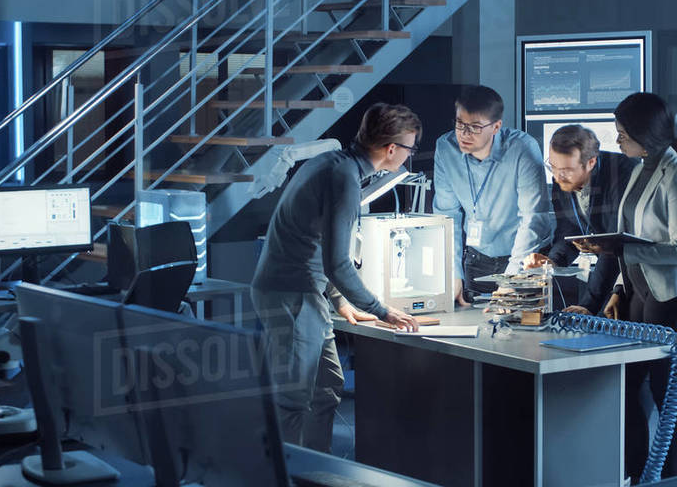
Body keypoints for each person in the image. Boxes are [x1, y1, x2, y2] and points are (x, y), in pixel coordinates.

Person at [251, 103, 421, 452]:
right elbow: (337, 263)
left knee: (327, 387)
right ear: (392, 150)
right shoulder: (343, 178)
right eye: (410, 148)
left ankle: (318, 470)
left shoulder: (332, 163)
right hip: (292, 294)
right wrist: (381, 310)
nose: (409, 154)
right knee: (295, 401)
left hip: (301, 291)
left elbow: (315, 243)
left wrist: (342, 301)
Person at [580, 92, 677, 483]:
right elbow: (633, 234)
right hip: (641, 289)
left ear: (644, 133)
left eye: (622, 133)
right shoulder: (641, 166)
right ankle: (638, 476)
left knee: (665, 392)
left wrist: (619, 248)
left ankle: (671, 480)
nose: (617, 140)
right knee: (627, 387)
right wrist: (619, 285)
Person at [433, 85, 554, 304]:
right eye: (460, 124)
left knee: (523, 329)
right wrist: (453, 273)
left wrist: (512, 278)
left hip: (524, 257)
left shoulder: (522, 148)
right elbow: (447, 215)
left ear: (496, 126)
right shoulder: (445, 147)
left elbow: (534, 218)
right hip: (477, 260)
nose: (464, 134)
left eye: (475, 127)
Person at [522, 124, 635, 315]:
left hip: (640, 277)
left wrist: (588, 304)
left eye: (565, 170)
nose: (557, 177)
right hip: (611, 274)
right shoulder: (563, 177)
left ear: (591, 162)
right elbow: (568, 230)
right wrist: (552, 261)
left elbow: (612, 244)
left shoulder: (623, 173)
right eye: (553, 167)